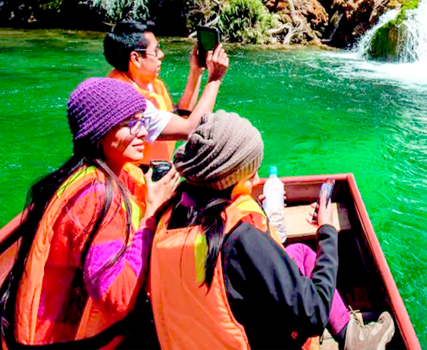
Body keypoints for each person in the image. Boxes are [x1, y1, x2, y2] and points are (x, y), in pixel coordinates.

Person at [147, 112, 396, 350]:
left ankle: (352, 335)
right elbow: (315, 313)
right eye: (250, 174)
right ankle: (357, 339)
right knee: (312, 282)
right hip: (259, 340)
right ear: (227, 179)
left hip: (199, 336)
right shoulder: (239, 241)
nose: (256, 181)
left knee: (299, 251)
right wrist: (326, 230)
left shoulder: (169, 216)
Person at [0, 78, 181, 349]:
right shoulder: (96, 196)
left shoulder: (84, 173)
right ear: (100, 132)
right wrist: (150, 215)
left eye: (141, 120)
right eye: (129, 123)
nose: (142, 132)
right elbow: (116, 298)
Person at [103, 19, 229, 165]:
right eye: (155, 50)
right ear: (136, 59)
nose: (161, 55)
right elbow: (190, 129)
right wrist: (215, 79)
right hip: (139, 182)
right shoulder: (130, 101)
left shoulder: (149, 83)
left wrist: (196, 72)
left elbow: (181, 117)